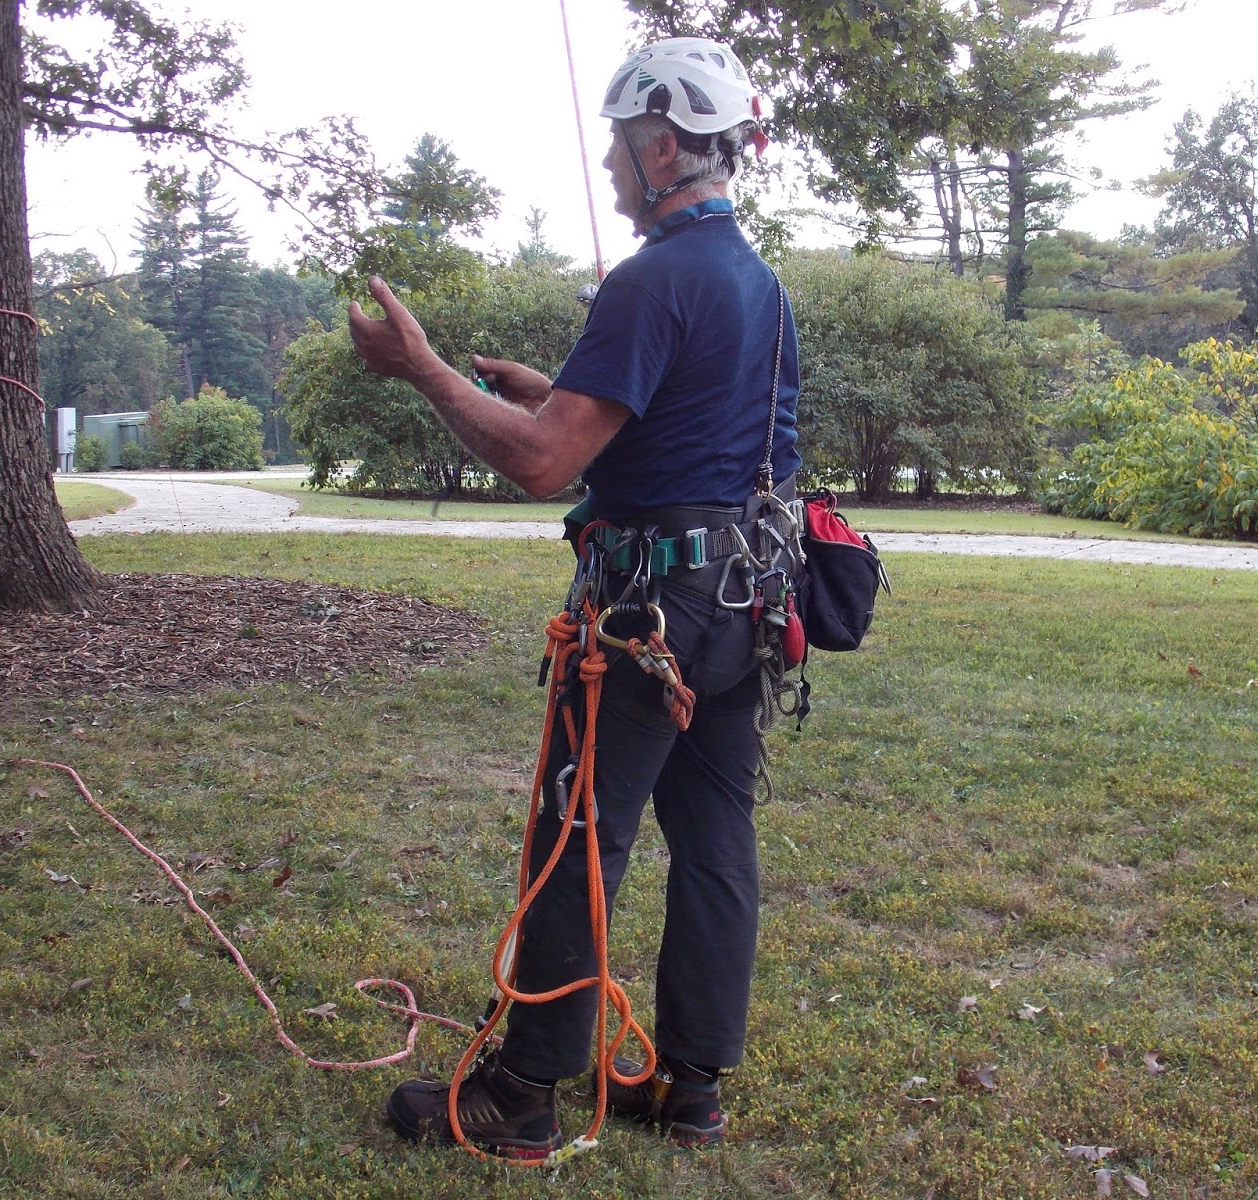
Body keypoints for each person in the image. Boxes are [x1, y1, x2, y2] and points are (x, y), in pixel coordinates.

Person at [348, 36, 801, 1158]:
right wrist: (559, 392)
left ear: (660, 144)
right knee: (712, 837)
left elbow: (545, 465)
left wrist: (427, 372)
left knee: (578, 835)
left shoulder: (651, 281)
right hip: (740, 607)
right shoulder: (754, 279)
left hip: (650, 618)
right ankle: (691, 1085)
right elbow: (692, 433)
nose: (607, 167)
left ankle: (524, 1095)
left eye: (615, 147)